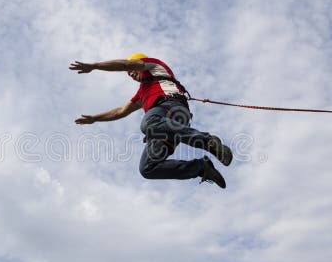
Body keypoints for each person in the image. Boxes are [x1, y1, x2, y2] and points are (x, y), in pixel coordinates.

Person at [70, 53, 233, 188]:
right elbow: (121, 111)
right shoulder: (142, 93)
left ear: (139, 62)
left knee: (149, 123)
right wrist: (95, 118)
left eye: (131, 70)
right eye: (128, 74)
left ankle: (208, 142)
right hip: (163, 127)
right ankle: (201, 168)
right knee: (147, 168)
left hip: (172, 106)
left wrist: (94, 66)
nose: (130, 74)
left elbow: (126, 65)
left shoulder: (154, 66)